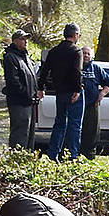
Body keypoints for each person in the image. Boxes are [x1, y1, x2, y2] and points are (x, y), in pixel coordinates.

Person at [39, 24, 86, 160]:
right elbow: (77, 72)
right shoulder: (76, 51)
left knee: (59, 123)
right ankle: (73, 155)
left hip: (60, 92)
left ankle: (53, 154)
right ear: (75, 35)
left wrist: (41, 87)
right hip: (73, 91)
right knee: (75, 125)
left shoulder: (54, 51)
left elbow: (44, 70)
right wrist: (78, 89)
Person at [1, 29, 41, 150]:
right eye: (23, 39)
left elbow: (33, 78)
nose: (26, 42)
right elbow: (13, 81)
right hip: (18, 102)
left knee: (30, 135)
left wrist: (36, 93)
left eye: (26, 39)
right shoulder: (10, 57)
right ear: (15, 41)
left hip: (30, 102)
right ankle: (16, 159)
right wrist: (26, 94)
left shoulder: (27, 58)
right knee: (19, 133)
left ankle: (27, 159)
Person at [78, 45, 109, 159]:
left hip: (92, 105)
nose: (86, 56)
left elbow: (108, 83)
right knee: (75, 130)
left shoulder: (96, 68)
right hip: (76, 105)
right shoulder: (75, 66)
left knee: (92, 132)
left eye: (88, 53)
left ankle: (89, 156)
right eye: (84, 53)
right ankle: (74, 154)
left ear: (91, 56)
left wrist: (102, 94)